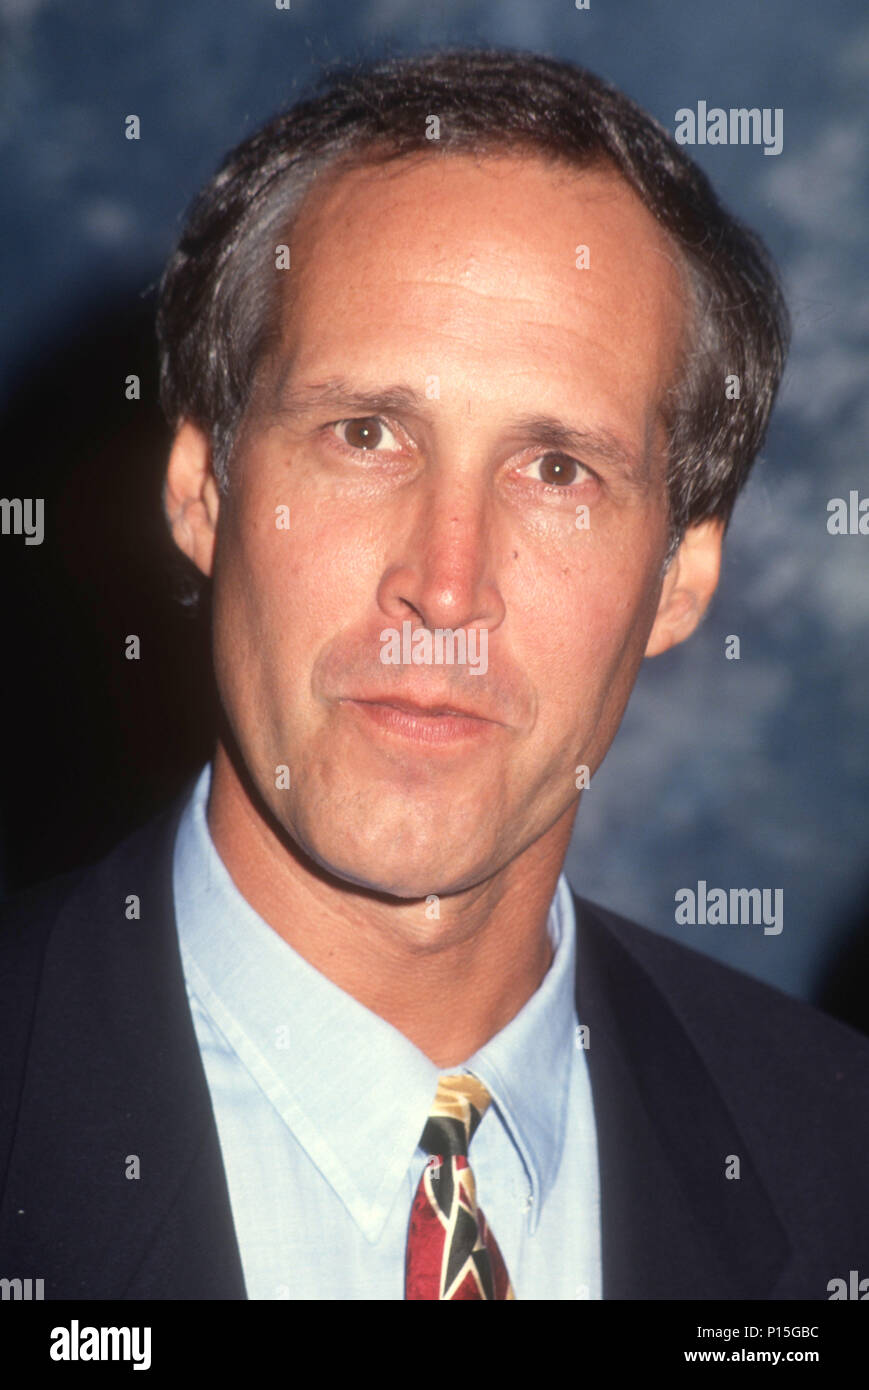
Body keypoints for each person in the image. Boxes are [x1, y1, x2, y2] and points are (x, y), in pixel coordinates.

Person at [2, 47, 867, 1303]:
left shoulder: (835, 1163)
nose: (445, 587)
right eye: (365, 434)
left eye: (557, 468)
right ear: (200, 490)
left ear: (680, 578)